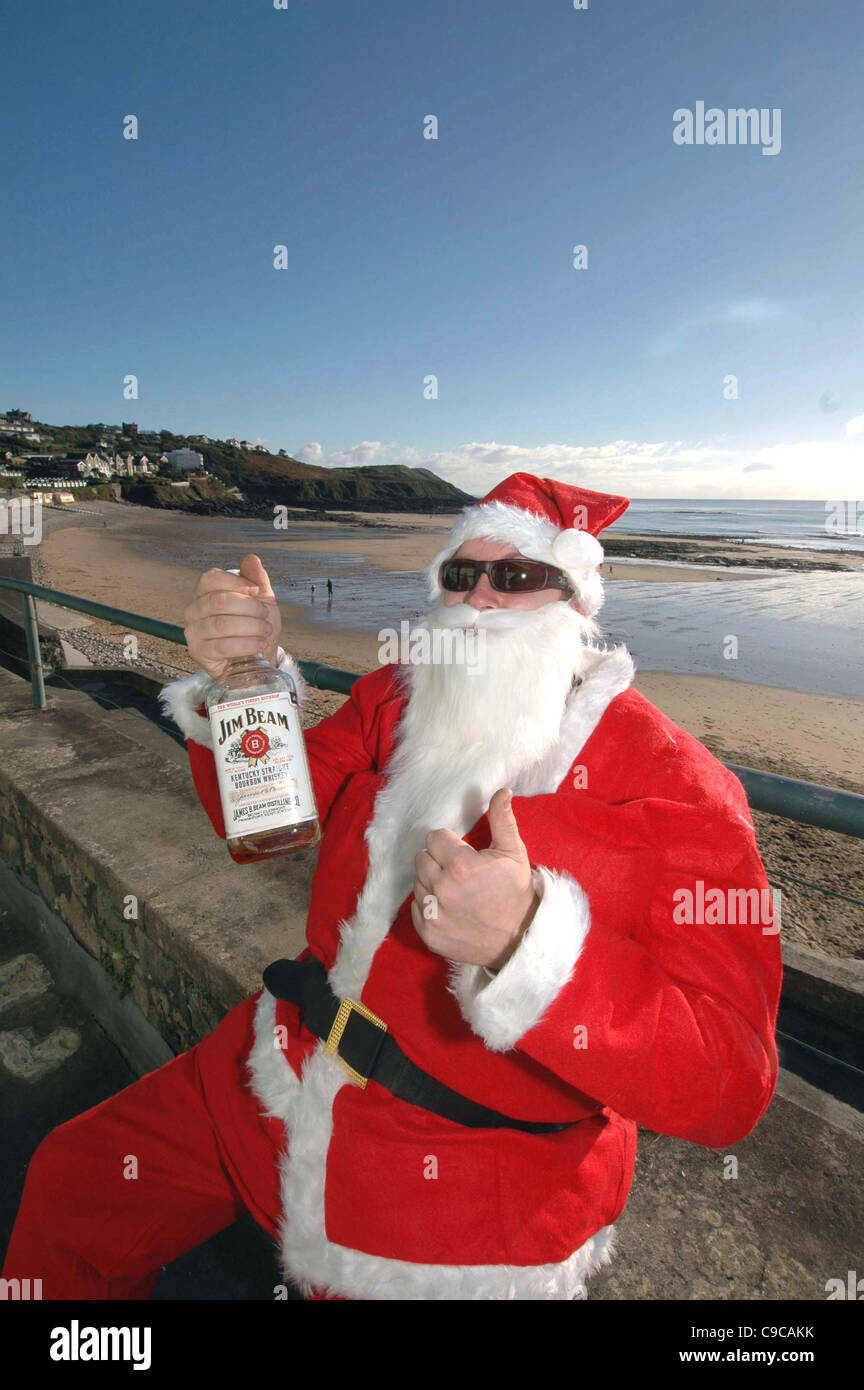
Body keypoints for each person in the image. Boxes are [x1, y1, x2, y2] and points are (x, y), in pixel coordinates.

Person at [2, 472, 782, 1300]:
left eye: (513, 577)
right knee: (73, 1186)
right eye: (458, 575)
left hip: (463, 1186)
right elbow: (264, 820)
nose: (477, 599)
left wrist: (531, 950)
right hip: (275, 1069)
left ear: (575, 601)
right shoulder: (392, 700)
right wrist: (245, 681)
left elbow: (730, 1081)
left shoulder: (673, 784)